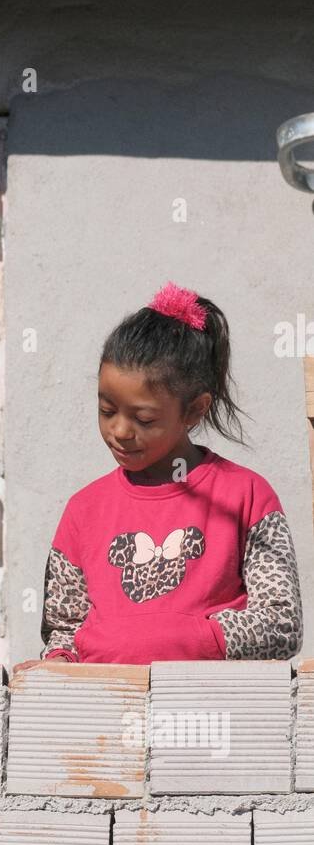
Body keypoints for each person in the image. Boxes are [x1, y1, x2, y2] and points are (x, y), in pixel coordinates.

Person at [37, 282, 303, 664]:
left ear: (195, 410)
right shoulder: (83, 510)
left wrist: (179, 638)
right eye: (107, 410)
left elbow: (282, 625)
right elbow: (62, 629)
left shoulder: (248, 496)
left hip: (212, 713)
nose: (120, 431)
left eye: (144, 418)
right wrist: (59, 660)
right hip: (105, 711)